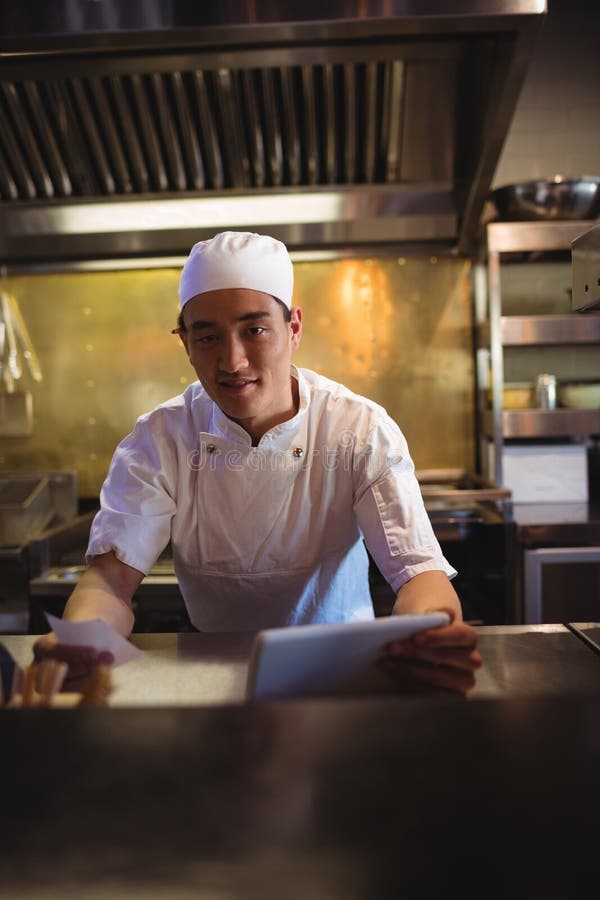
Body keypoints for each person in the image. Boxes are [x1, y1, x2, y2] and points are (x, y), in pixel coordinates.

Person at [34, 231, 481, 694]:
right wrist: (81, 640)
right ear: (185, 342)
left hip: (345, 672)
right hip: (212, 676)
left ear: (294, 328)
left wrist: (429, 636)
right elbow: (110, 581)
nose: (233, 360)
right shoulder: (160, 439)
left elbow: (418, 572)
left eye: (255, 329)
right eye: (207, 336)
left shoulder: (357, 429)